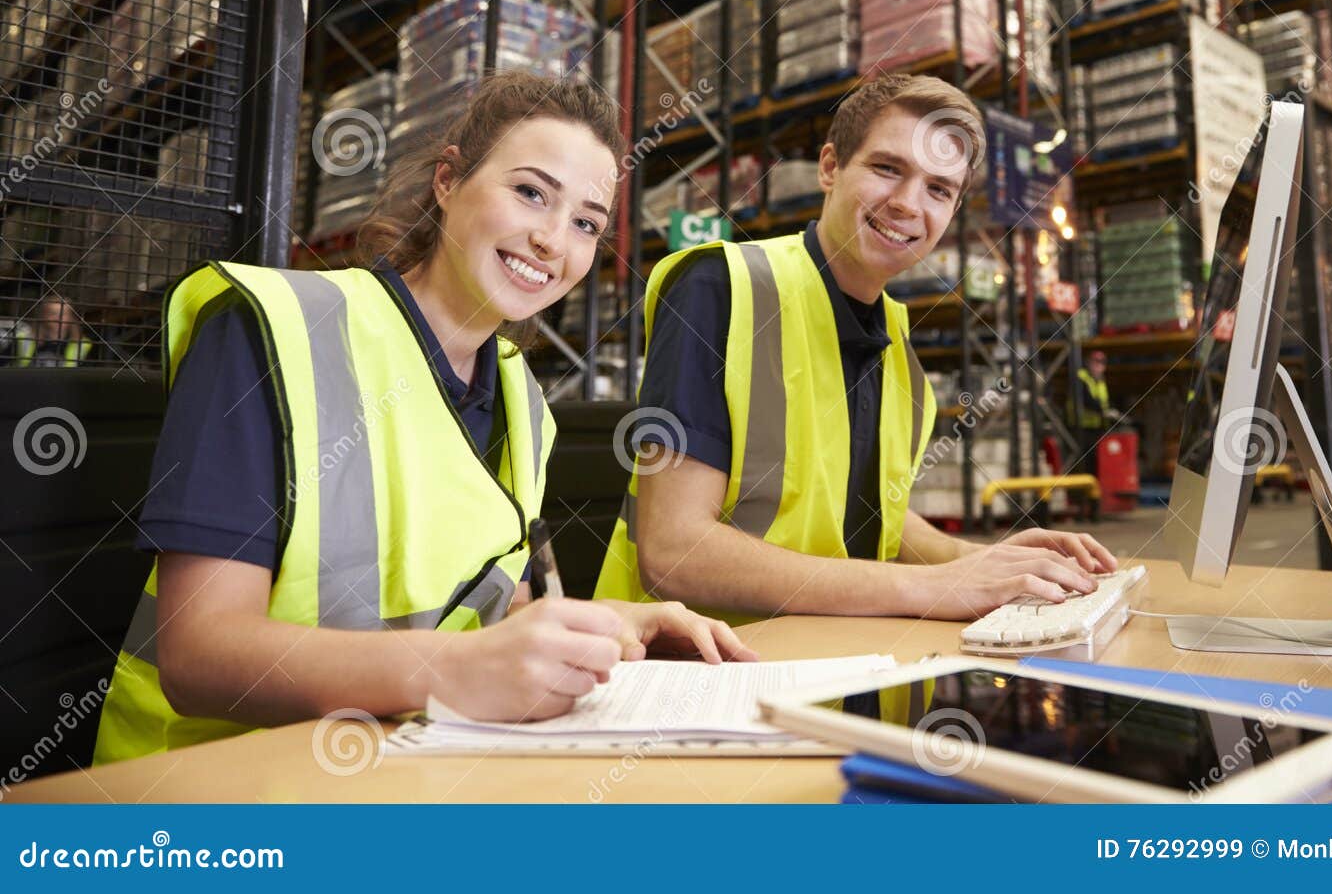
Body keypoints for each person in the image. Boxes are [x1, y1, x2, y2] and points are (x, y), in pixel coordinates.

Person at [94, 73, 753, 765]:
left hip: (397, 764)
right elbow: (200, 653)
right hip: (214, 795)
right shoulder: (274, 330)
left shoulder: (519, 399)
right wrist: (452, 671)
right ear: (447, 180)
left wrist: (614, 622)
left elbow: (490, 613)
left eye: (586, 223)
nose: (552, 240)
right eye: (530, 192)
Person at [595, 74, 1116, 624]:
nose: (908, 204)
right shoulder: (722, 290)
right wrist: (933, 587)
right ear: (830, 167)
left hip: (843, 680)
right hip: (709, 685)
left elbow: (870, 517)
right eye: (887, 168)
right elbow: (674, 552)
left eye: (939, 189)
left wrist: (988, 562)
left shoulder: (898, 348)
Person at [16, 298, 92, 366]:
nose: (59, 318)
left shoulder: (83, 345)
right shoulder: (24, 338)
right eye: (53, 313)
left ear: (70, 317)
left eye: (64, 314)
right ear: (43, 316)